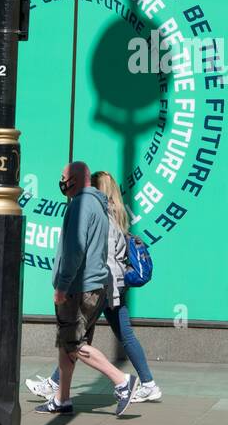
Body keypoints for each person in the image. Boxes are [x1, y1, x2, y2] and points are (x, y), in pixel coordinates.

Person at [25, 170, 161, 404]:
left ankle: (60, 385)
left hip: (103, 286)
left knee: (75, 338)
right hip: (112, 286)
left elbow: (103, 256)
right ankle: (147, 383)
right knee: (113, 335)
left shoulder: (102, 215)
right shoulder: (116, 214)